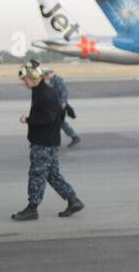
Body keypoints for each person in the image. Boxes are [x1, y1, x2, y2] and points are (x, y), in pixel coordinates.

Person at [10, 63, 84, 221]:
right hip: (49, 141)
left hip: (43, 143)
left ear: (34, 77)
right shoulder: (40, 91)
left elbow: (47, 118)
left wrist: (27, 119)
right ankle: (73, 200)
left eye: (25, 79)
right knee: (52, 174)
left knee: (37, 174)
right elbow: (57, 114)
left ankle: (32, 209)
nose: (24, 83)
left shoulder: (45, 93)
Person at [43, 68, 81, 147]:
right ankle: (74, 137)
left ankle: (73, 137)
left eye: (46, 75)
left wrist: (63, 103)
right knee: (59, 123)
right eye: (44, 75)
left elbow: (64, 92)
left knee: (57, 122)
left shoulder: (58, 80)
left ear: (51, 73)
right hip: (55, 105)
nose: (45, 77)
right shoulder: (52, 81)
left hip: (59, 105)